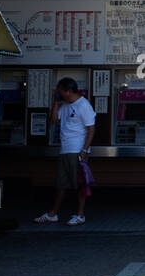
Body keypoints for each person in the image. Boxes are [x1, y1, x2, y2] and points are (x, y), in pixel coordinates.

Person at [34, 77, 97, 225]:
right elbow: (53, 121)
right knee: (61, 183)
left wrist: (84, 149)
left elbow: (91, 129)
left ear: (68, 91)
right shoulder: (65, 105)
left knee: (80, 183)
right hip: (65, 149)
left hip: (77, 149)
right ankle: (53, 213)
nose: (59, 93)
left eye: (60, 91)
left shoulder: (83, 105)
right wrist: (55, 104)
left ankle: (80, 214)